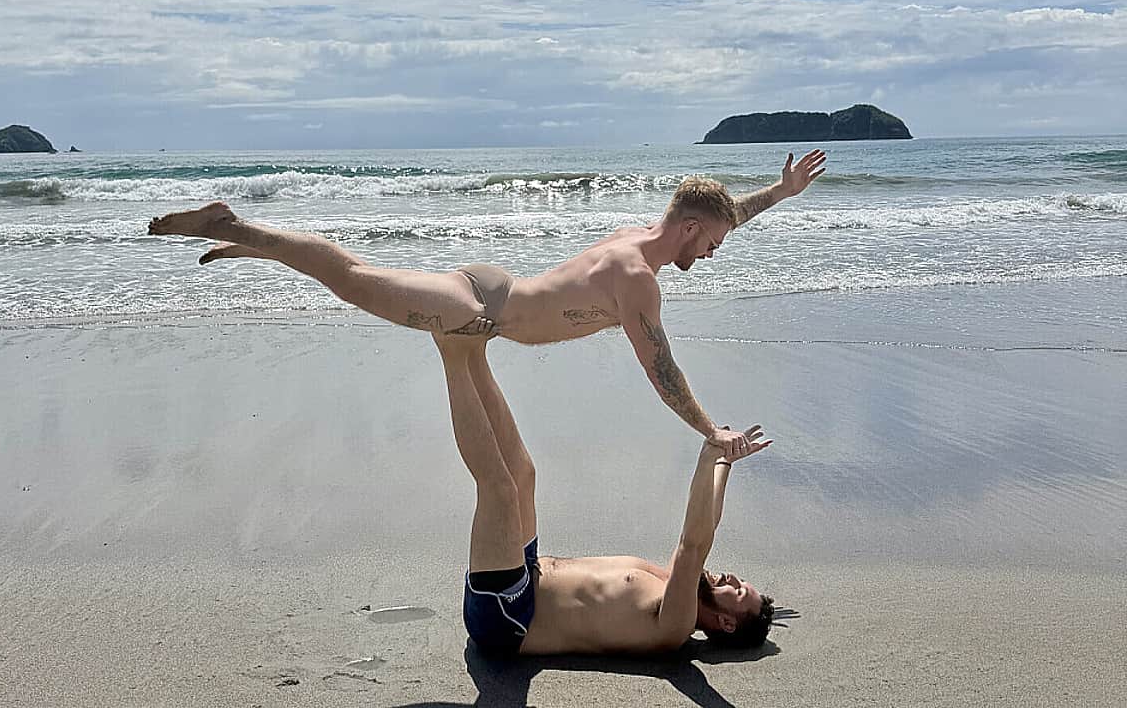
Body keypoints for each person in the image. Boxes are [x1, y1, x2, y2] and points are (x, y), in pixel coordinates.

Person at [148, 150, 825, 451]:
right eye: (709, 242)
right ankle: (233, 224)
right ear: (686, 227)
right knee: (352, 278)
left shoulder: (644, 234)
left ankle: (256, 242)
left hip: (487, 294)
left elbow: (720, 211)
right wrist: (713, 431)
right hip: (478, 310)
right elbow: (665, 375)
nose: (714, 250)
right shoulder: (638, 279)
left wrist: (779, 193)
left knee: (355, 275)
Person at [431, 333, 774, 656]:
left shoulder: (675, 625)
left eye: (739, 591)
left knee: (500, 490)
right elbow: (707, 522)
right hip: (526, 569)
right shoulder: (669, 583)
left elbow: (693, 545)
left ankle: (449, 351)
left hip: (506, 617)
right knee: (523, 476)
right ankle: (472, 350)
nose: (732, 577)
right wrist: (725, 464)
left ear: (726, 623)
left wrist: (708, 454)